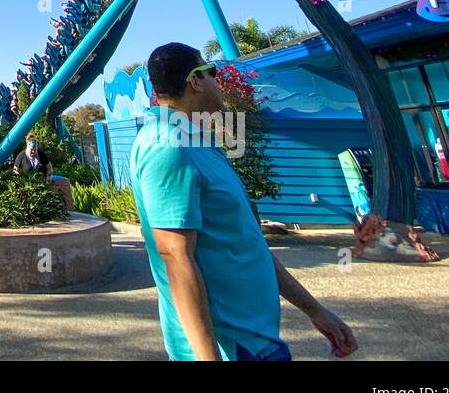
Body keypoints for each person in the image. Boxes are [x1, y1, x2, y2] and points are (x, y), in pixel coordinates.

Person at [131, 42, 359, 362]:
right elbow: (175, 256)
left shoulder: (196, 141)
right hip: (231, 349)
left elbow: (246, 241)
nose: (217, 81)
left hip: (257, 342)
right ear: (195, 81)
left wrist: (315, 311)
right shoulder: (168, 145)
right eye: (211, 73)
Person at [12, 132, 73, 210]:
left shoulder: (41, 154)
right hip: (27, 187)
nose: (33, 152)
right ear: (27, 148)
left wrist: (48, 177)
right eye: (31, 150)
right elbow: (15, 169)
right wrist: (20, 178)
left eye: (35, 150)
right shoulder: (21, 156)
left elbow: (49, 167)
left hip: (42, 186)